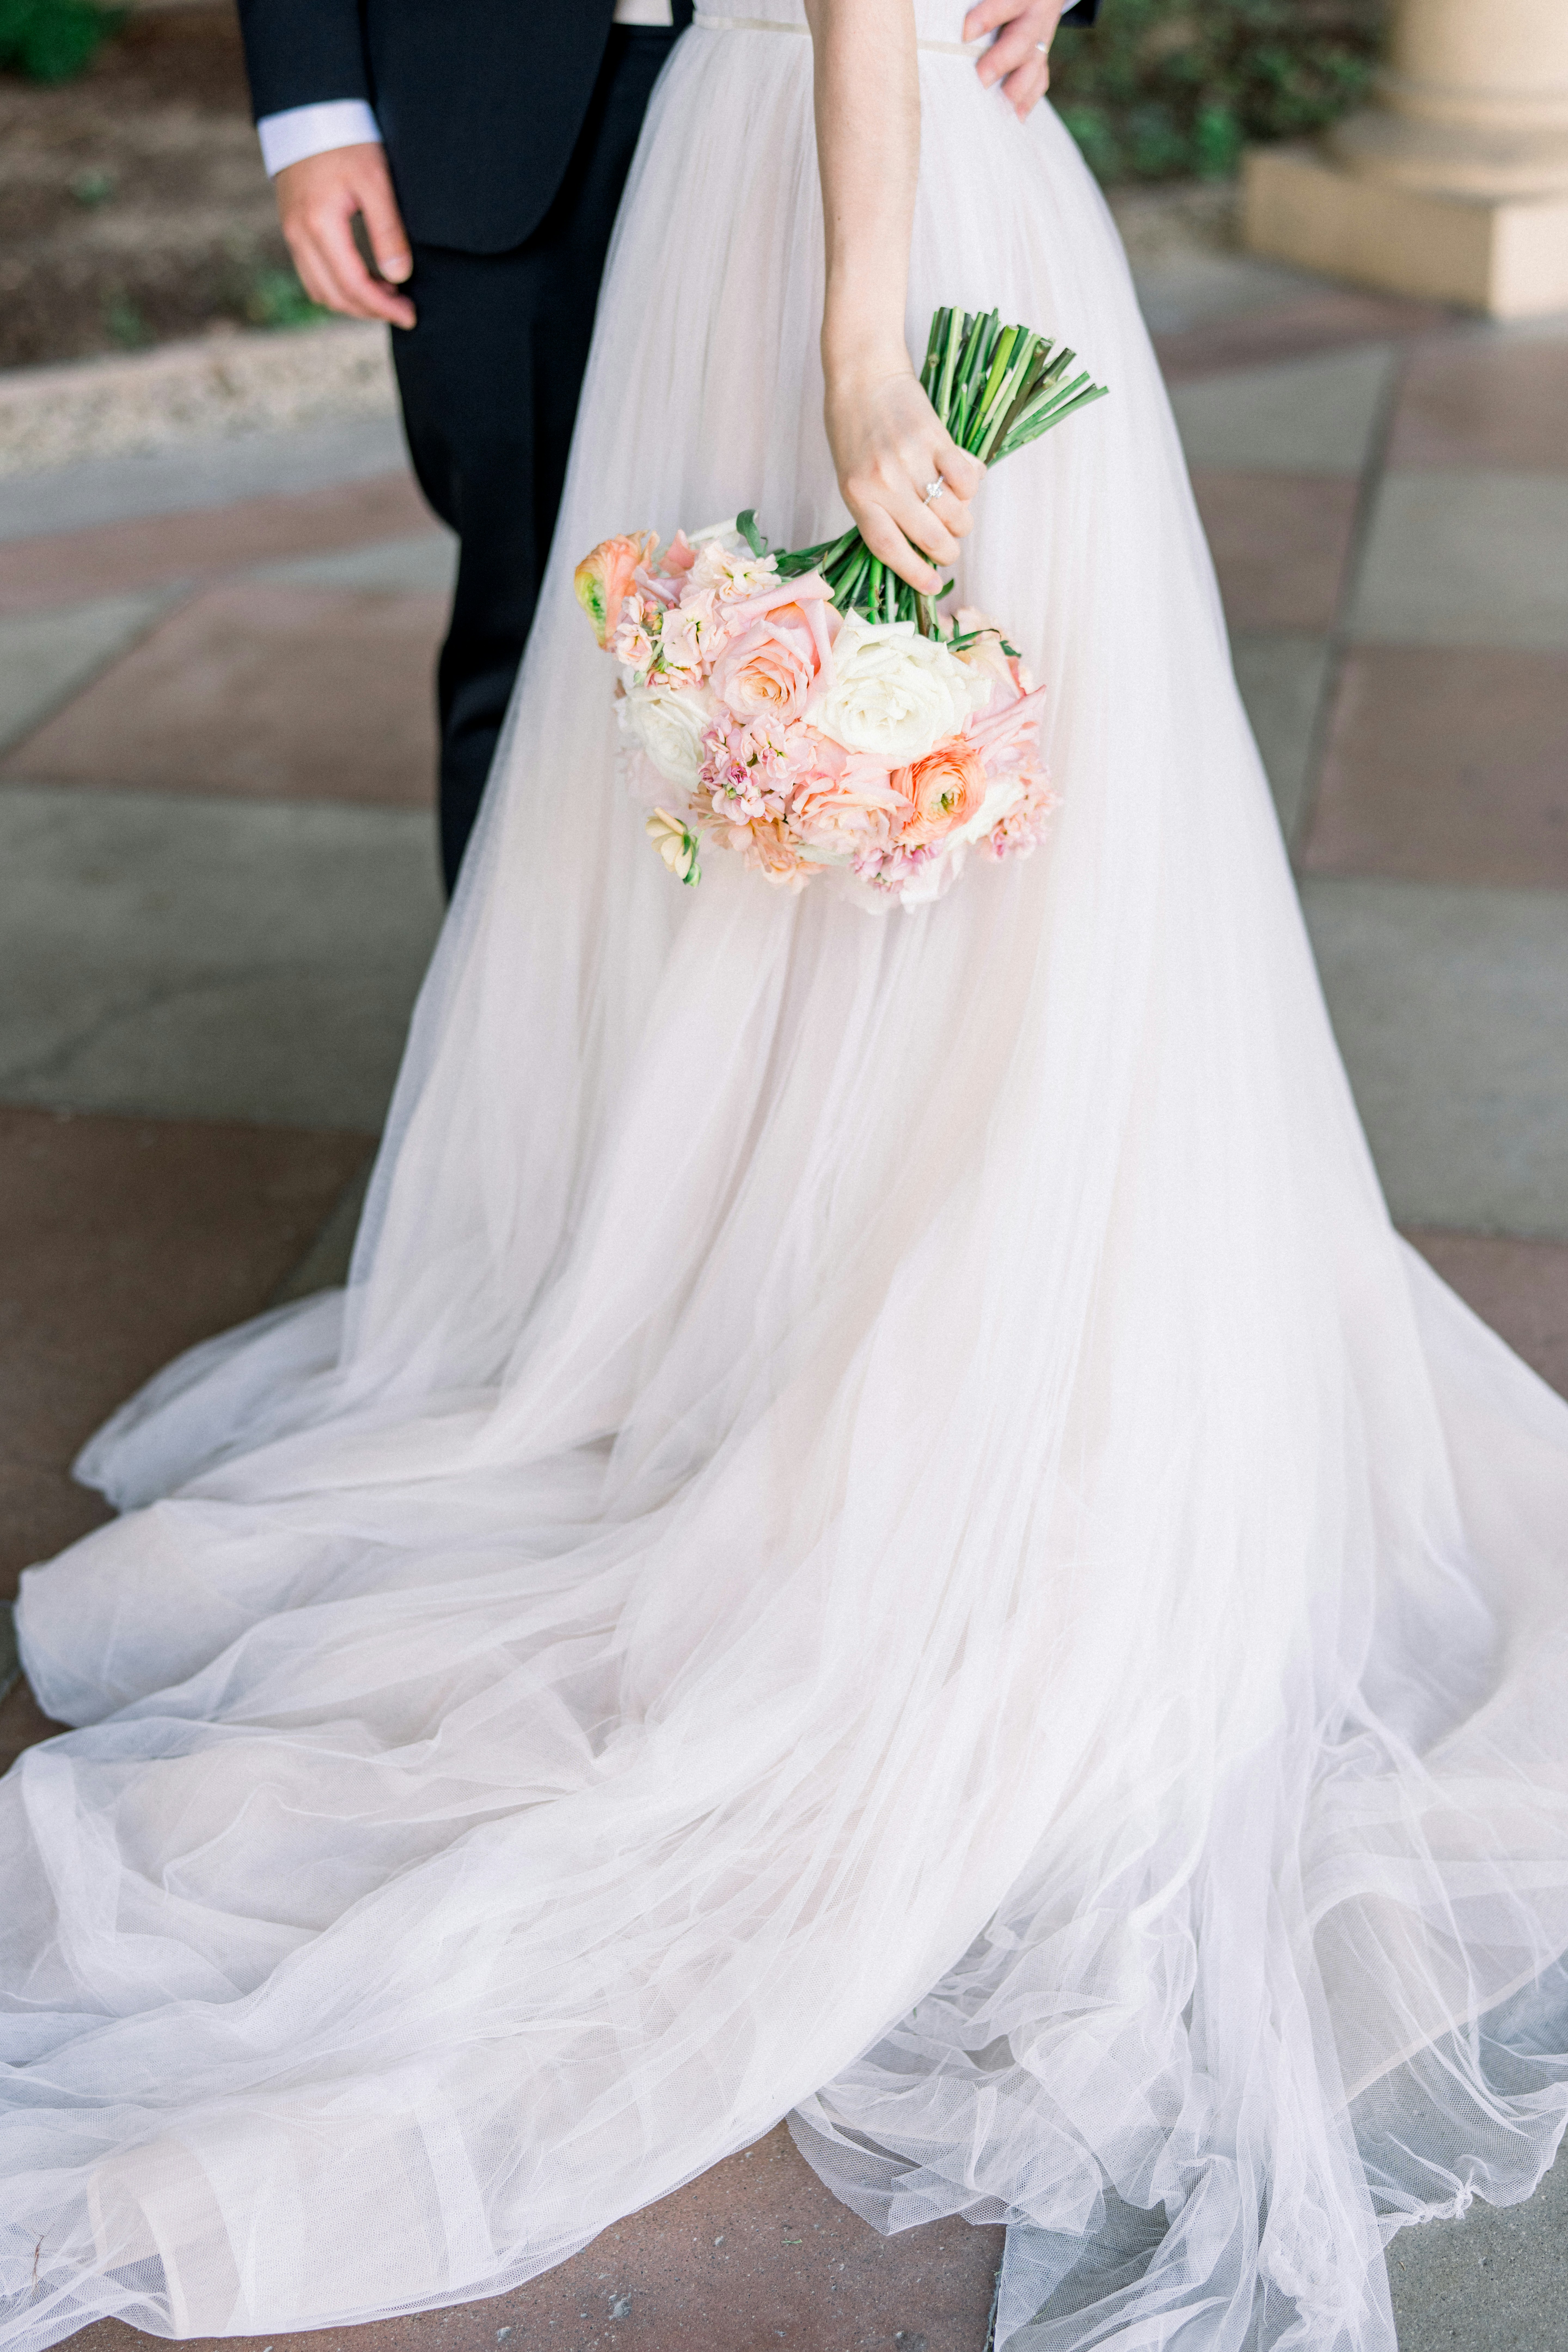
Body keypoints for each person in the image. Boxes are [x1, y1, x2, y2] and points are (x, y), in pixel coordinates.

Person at [4, 5, 1567, 2350]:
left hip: (860, 143)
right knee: (663, 734)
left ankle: (763, 1308)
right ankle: (694, 1264)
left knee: (861, 765)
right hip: (779, 146)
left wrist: (871, 312)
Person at [239, 0, 1097, 890]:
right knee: (539, 634)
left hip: (896, 100)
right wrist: (315, 103)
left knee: (924, 638)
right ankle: (534, 1011)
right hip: (510, 97)